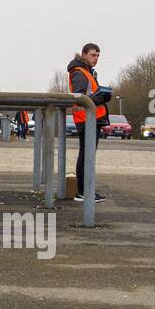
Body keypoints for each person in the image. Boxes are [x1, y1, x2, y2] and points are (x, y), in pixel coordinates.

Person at [67, 43, 110, 202]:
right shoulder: (80, 73)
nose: (96, 58)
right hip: (87, 119)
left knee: (87, 155)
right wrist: (99, 98)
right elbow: (79, 98)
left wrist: (102, 97)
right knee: (86, 156)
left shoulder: (87, 72)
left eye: (98, 56)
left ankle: (85, 190)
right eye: (93, 55)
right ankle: (83, 192)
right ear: (84, 54)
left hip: (91, 119)